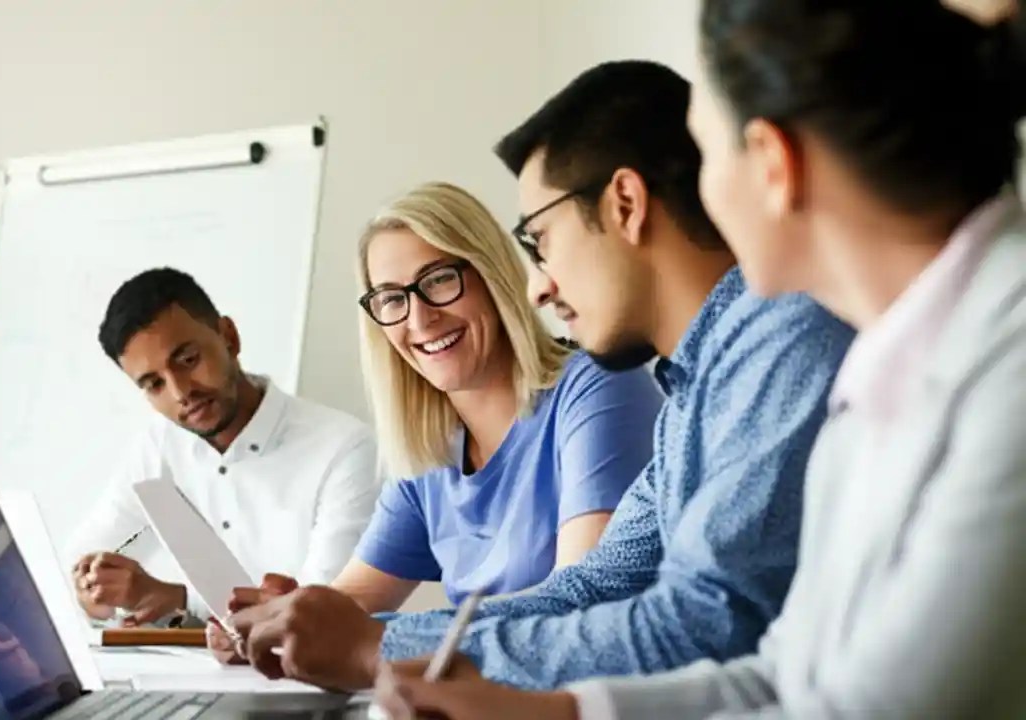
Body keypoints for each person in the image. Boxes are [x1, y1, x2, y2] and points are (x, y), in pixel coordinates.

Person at [375, 1, 1026, 718]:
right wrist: (554, 713)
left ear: (774, 165)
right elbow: (781, 676)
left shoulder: (1000, 364)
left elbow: (875, 708)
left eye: (710, 157)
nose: (698, 195)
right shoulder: (875, 372)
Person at [225, 60, 855, 691]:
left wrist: (379, 649)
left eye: (541, 239)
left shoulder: (778, 339)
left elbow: (704, 622)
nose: (539, 285)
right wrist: (359, 636)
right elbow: (593, 586)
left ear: (627, 205)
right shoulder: (695, 386)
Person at [210, 181, 663, 663]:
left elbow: (579, 606)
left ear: (493, 275)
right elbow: (352, 601)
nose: (419, 319)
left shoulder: (600, 387)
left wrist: (377, 636)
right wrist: (279, 622)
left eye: (439, 280)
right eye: (390, 299)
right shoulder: (428, 449)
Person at [67, 267, 381, 627]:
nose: (181, 392)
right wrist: (95, 592)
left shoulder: (343, 448)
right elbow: (77, 562)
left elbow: (324, 612)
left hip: (302, 681)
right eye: (154, 384)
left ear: (229, 337)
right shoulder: (159, 446)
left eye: (187, 360)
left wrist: (179, 600)